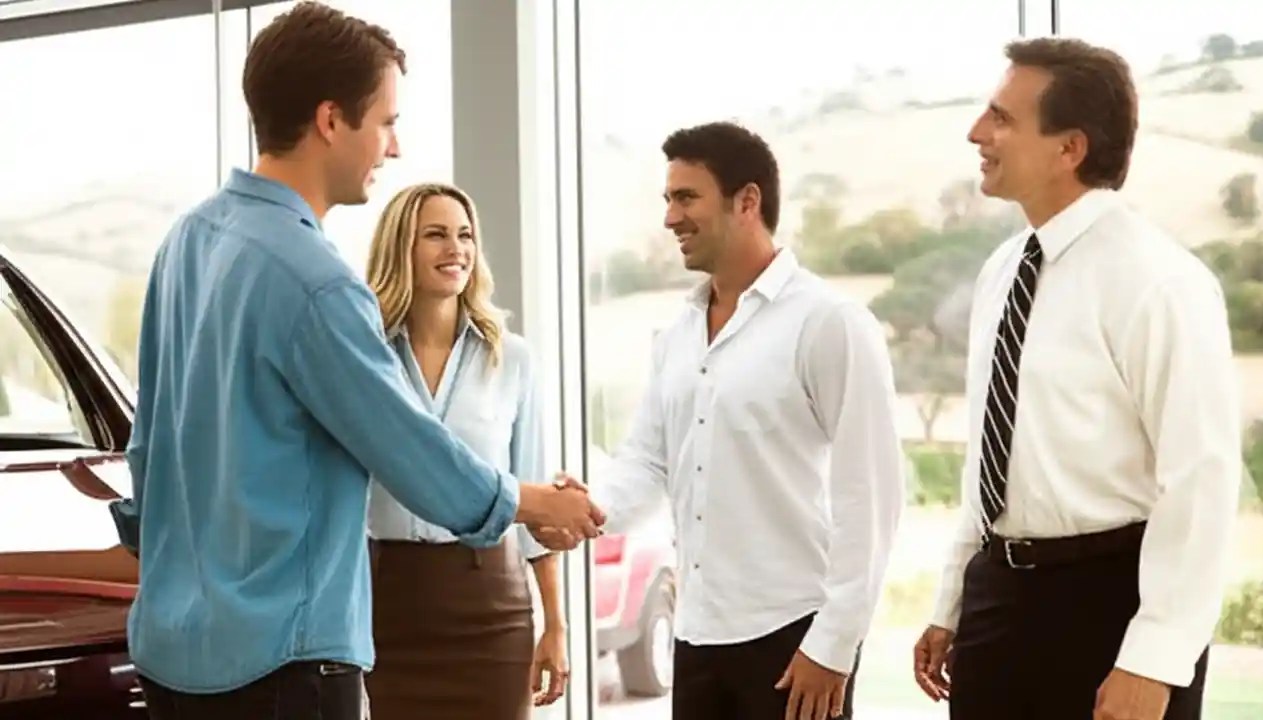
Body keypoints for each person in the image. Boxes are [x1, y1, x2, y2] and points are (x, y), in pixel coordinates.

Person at [120, 4, 602, 719]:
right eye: (386, 121)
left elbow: (147, 451)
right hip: (283, 664)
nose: (394, 147)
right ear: (329, 120)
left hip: (172, 656)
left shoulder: (185, 243)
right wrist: (539, 503)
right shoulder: (317, 281)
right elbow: (413, 453)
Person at [911, 38, 1241, 720]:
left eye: (1002, 118)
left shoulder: (1161, 283)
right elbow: (990, 451)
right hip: (998, 605)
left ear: (1071, 148)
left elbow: (1201, 482)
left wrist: (1151, 662)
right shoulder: (1002, 270)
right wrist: (953, 602)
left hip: (1114, 608)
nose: (977, 132)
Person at [591, 121, 905, 720]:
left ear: (747, 201)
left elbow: (872, 492)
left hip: (794, 640)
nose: (670, 218)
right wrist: (583, 511)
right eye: (667, 200)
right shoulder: (679, 334)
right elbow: (647, 459)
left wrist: (835, 644)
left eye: (686, 198)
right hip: (697, 636)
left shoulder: (828, 322)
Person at [360, 182, 567, 718]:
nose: (456, 249)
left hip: (489, 607)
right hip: (386, 603)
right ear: (400, 248)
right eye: (435, 235)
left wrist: (556, 626)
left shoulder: (512, 359)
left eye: (465, 235)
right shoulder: (363, 359)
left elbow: (532, 499)